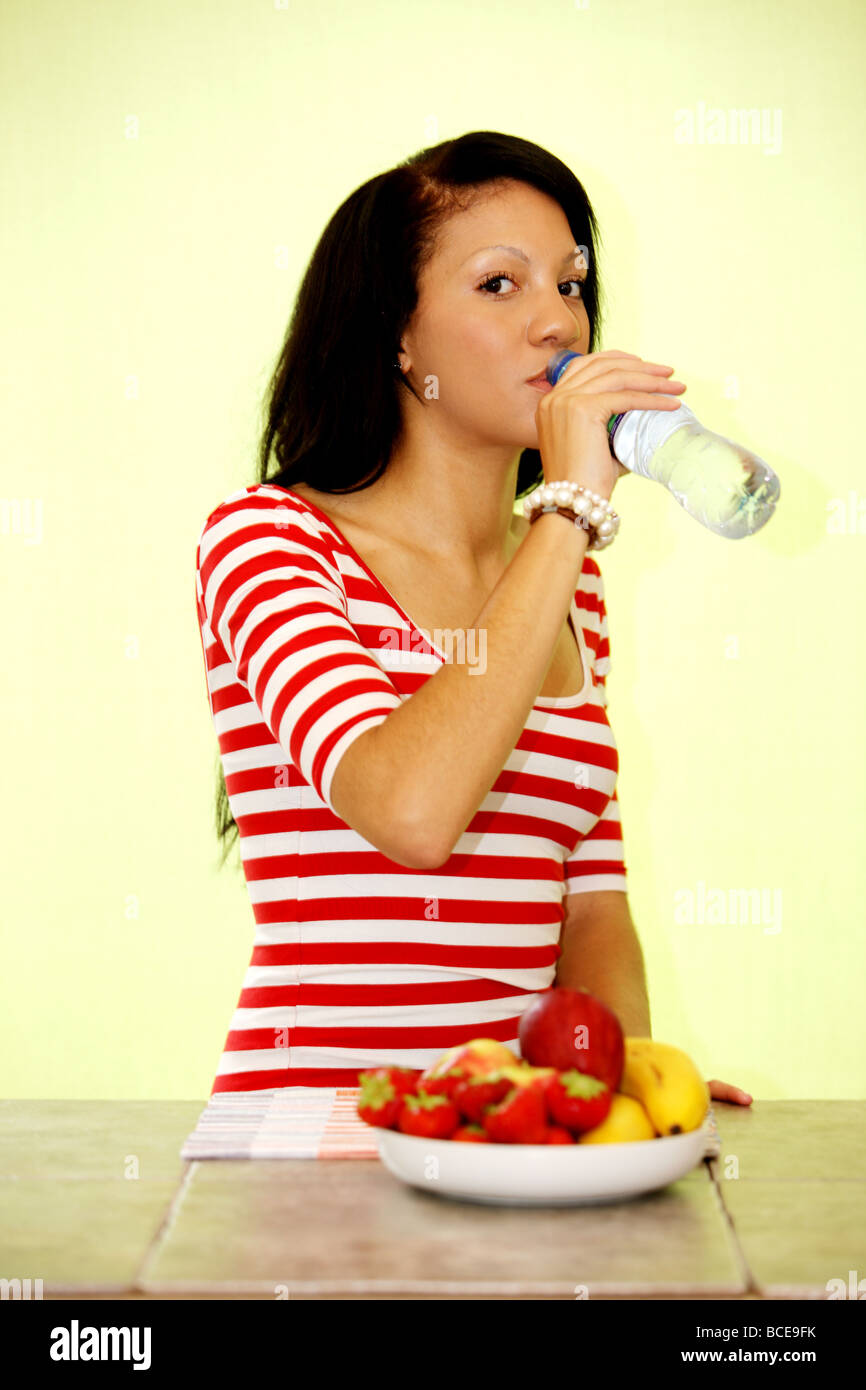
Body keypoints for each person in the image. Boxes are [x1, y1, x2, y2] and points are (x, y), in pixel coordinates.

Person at [195, 131, 752, 1109]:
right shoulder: (269, 540)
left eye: (569, 283)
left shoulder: (564, 583)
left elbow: (590, 905)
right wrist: (571, 509)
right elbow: (409, 809)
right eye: (500, 284)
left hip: (509, 1150)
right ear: (397, 336)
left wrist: (617, 1088)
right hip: (312, 1154)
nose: (556, 323)